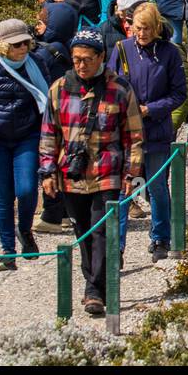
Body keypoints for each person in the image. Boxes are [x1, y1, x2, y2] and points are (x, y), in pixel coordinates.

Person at [39, 29, 144, 317]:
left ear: (100, 58)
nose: (80, 65)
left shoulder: (120, 89)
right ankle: (94, 282)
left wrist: (132, 174)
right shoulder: (59, 89)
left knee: (101, 231)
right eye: (75, 59)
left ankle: (95, 290)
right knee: (83, 232)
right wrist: (47, 171)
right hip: (71, 175)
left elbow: (134, 135)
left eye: (86, 59)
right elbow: (49, 133)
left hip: (108, 171)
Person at [0, 19, 51, 270]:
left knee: (26, 189)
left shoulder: (37, 64)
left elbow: (48, 103)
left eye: (26, 42)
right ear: (3, 46)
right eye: (17, 44)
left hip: (28, 136)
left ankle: (24, 230)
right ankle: (7, 252)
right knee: (2, 195)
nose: (23, 48)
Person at [108, 3, 185, 263]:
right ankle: (116, 248)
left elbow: (179, 94)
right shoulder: (121, 49)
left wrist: (150, 109)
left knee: (157, 188)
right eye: (137, 28)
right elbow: (109, 85)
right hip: (125, 133)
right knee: (122, 191)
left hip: (156, 132)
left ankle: (160, 238)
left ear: (157, 28)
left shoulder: (170, 53)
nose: (141, 33)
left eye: (146, 29)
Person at [31, 0, 79, 234]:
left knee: (50, 163)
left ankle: (51, 215)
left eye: (41, 22)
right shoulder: (69, 46)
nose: (37, 26)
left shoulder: (46, 53)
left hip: (51, 117)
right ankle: (65, 214)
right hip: (68, 115)